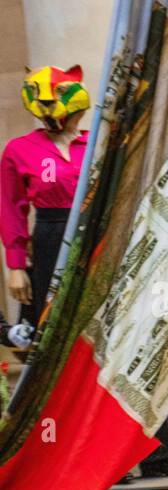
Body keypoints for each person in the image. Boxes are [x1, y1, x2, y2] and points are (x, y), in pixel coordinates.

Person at [1, 66, 90, 350]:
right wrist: (16, 265)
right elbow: (11, 207)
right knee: (54, 323)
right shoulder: (21, 149)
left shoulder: (97, 142)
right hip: (50, 236)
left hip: (97, 232)